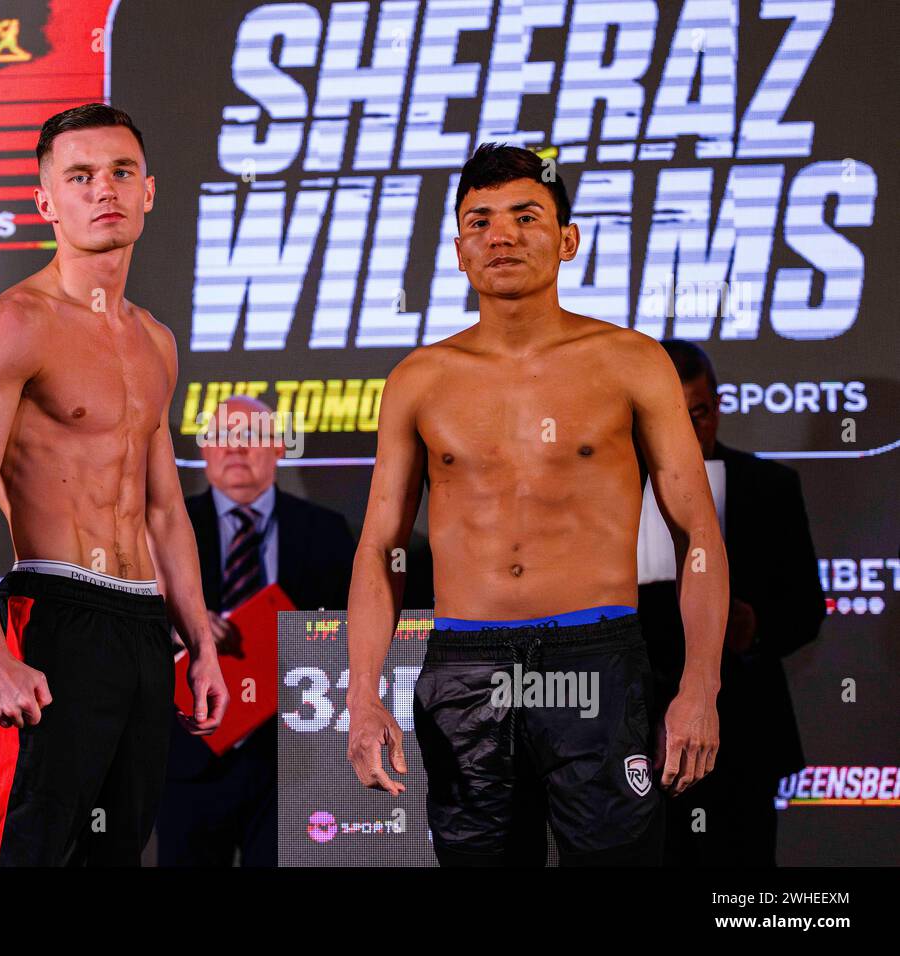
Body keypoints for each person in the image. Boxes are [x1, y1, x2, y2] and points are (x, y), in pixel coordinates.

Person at [344, 143, 728, 866]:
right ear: (459, 249)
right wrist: (362, 696)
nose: (502, 234)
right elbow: (379, 548)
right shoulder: (419, 380)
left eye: (526, 215)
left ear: (568, 238)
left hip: (595, 656)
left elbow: (698, 534)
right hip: (466, 667)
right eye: (480, 220)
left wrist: (699, 686)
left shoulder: (631, 361)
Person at [0, 103, 228, 867]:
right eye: (81, 175)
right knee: (19, 851)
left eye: (122, 172)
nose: (106, 190)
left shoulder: (154, 339)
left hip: (140, 626)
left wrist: (200, 643)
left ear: (150, 191)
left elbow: (164, 509)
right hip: (52, 616)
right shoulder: (13, 324)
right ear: (45, 201)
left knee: (116, 853)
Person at [640, 340, 824, 866]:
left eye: (698, 414)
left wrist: (756, 627)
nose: (688, 430)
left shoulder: (769, 487)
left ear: (717, 406)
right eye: (671, 416)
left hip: (741, 730)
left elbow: (806, 610)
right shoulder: (612, 492)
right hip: (636, 731)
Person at [157, 396, 357, 867]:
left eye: (252, 437)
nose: (236, 449)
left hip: (295, 759)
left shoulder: (327, 532)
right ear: (204, 451)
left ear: (280, 449)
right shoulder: (164, 530)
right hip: (190, 753)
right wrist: (178, 621)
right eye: (223, 437)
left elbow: (353, 633)